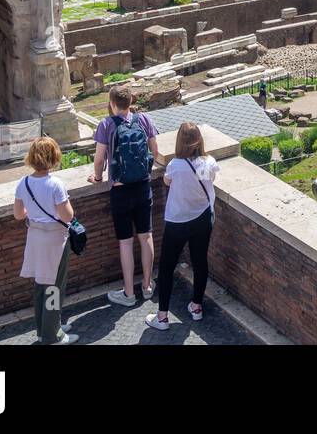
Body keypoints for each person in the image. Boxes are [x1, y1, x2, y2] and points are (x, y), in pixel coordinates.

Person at [89, 85, 162, 307]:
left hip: (120, 190)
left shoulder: (106, 124)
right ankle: (148, 287)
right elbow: (155, 153)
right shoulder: (144, 120)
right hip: (142, 186)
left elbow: (100, 159)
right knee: (146, 236)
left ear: (112, 103)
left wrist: (97, 176)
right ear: (130, 102)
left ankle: (129, 294)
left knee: (125, 243)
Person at [146, 123, 219, 332]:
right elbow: (211, 178)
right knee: (200, 262)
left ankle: (162, 317)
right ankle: (196, 307)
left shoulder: (175, 165)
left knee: (167, 266)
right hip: (202, 219)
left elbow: (167, 182)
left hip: (178, 221)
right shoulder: (209, 162)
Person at [15, 137, 78, 345]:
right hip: (54, 240)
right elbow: (67, 216)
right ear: (54, 157)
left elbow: (18, 214)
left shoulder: (23, 183)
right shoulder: (55, 184)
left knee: (41, 283)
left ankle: (45, 327)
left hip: (34, 237)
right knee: (54, 285)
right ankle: (53, 335)